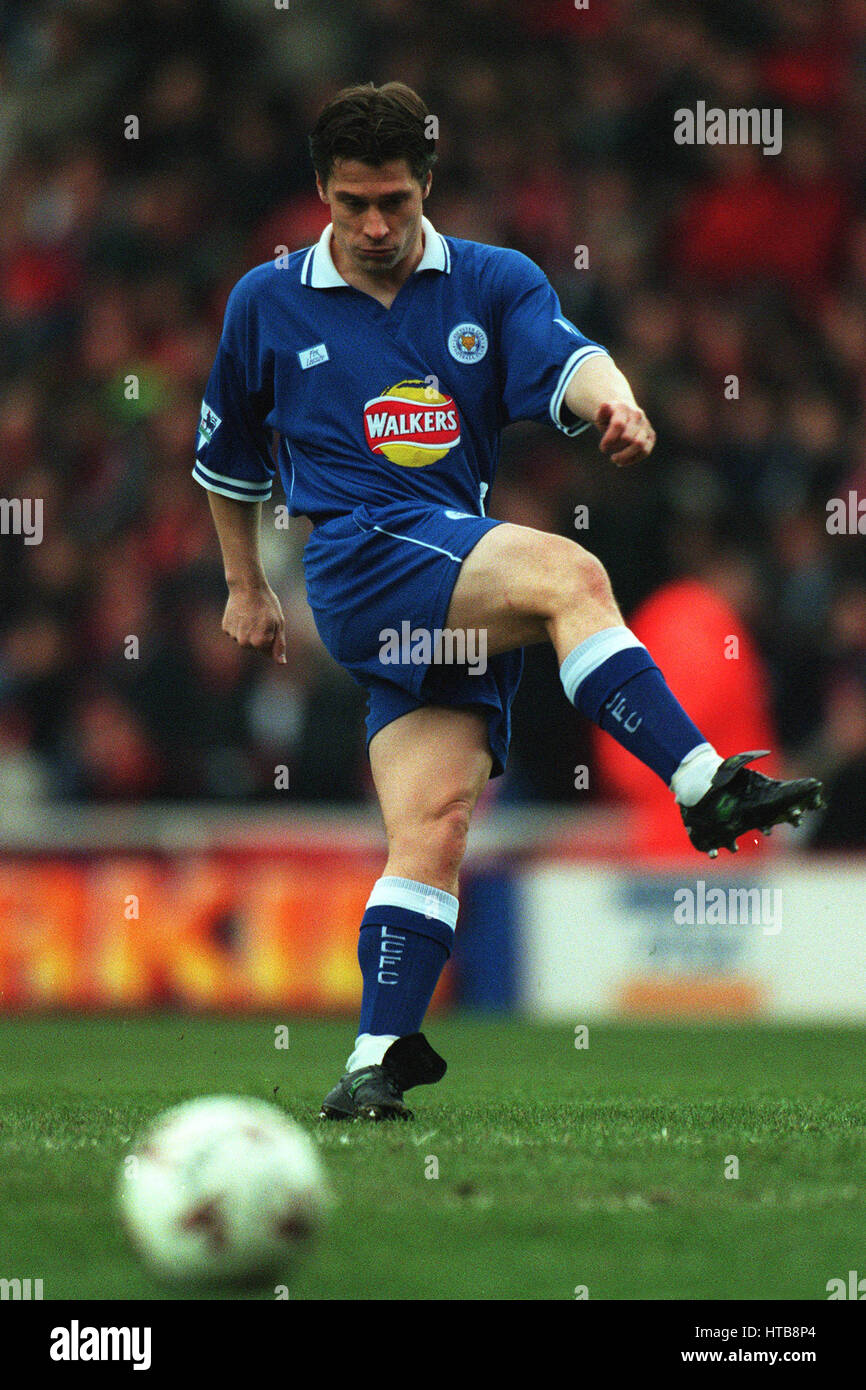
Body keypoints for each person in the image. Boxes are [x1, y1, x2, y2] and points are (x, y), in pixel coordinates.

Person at [195, 83, 823, 1121]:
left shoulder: (490, 280)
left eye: (393, 199)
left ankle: (372, 1054)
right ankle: (703, 781)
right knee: (570, 578)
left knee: (433, 828)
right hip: (359, 558)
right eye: (353, 202)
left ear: (426, 183)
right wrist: (243, 586)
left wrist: (613, 400)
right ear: (321, 191)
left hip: (450, 580)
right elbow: (225, 462)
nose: (375, 224)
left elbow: (568, 356)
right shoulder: (265, 302)